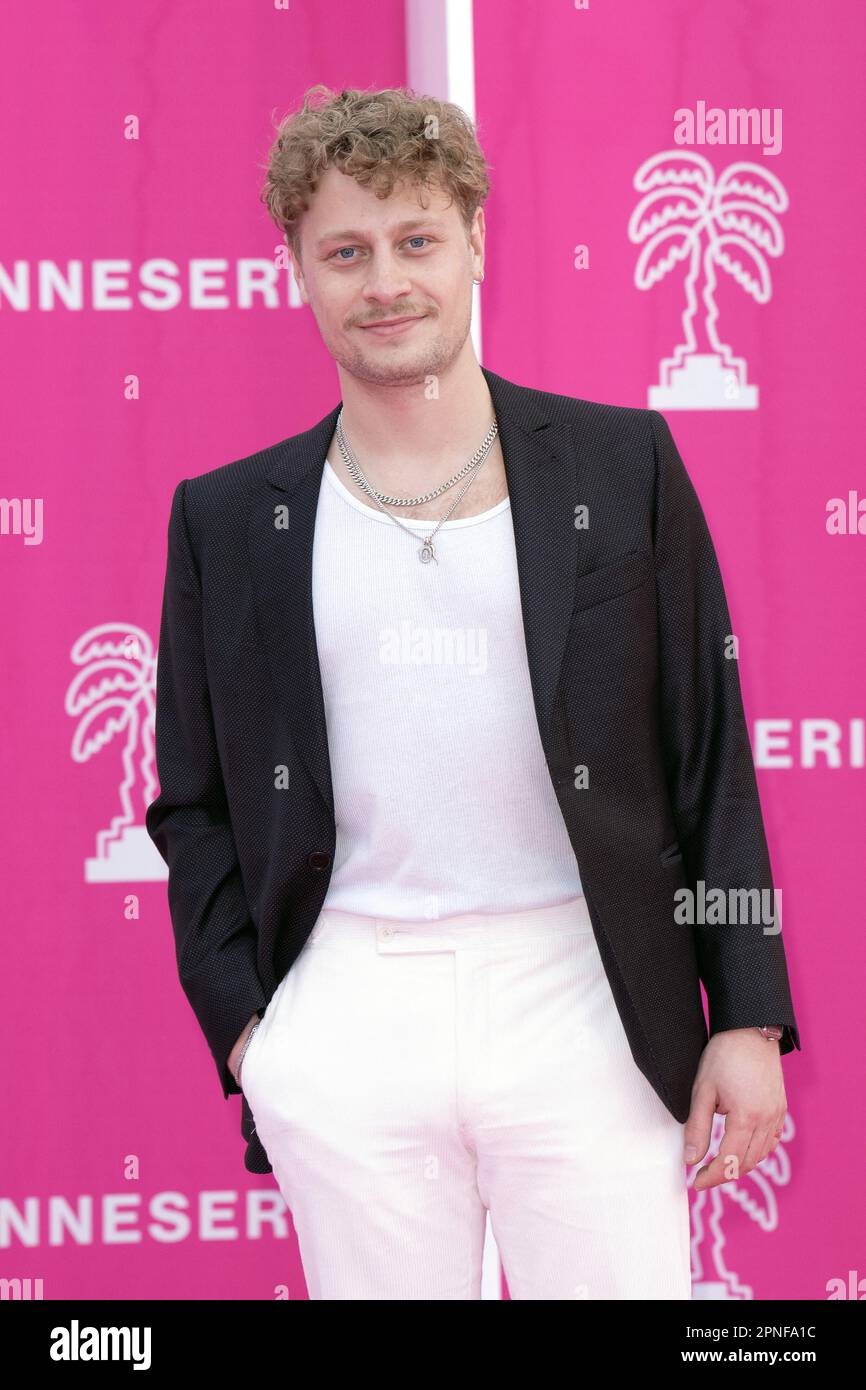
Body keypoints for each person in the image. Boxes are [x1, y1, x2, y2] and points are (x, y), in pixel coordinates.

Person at [146, 85, 800, 1300]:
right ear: (298, 270)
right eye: (344, 251)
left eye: (415, 240)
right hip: (345, 1008)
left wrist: (746, 1015)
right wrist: (257, 1037)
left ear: (476, 241)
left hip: (590, 995)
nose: (383, 281)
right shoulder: (228, 518)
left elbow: (705, 753)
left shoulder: (623, 463)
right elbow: (191, 801)